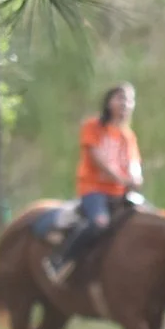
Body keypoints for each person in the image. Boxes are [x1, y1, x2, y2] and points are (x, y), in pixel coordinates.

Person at [47, 83, 144, 283]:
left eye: (129, 100)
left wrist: (136, 177)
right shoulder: (93, 127)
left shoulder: (129, 136)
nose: (125, 104)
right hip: (94, 189)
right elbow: (96, 157)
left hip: (120, 192)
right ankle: (61, 261)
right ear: (109, 102)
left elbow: (134, 162)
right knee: (99, 223)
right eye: (120, 98)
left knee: (149, 220)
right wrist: (120, 177)